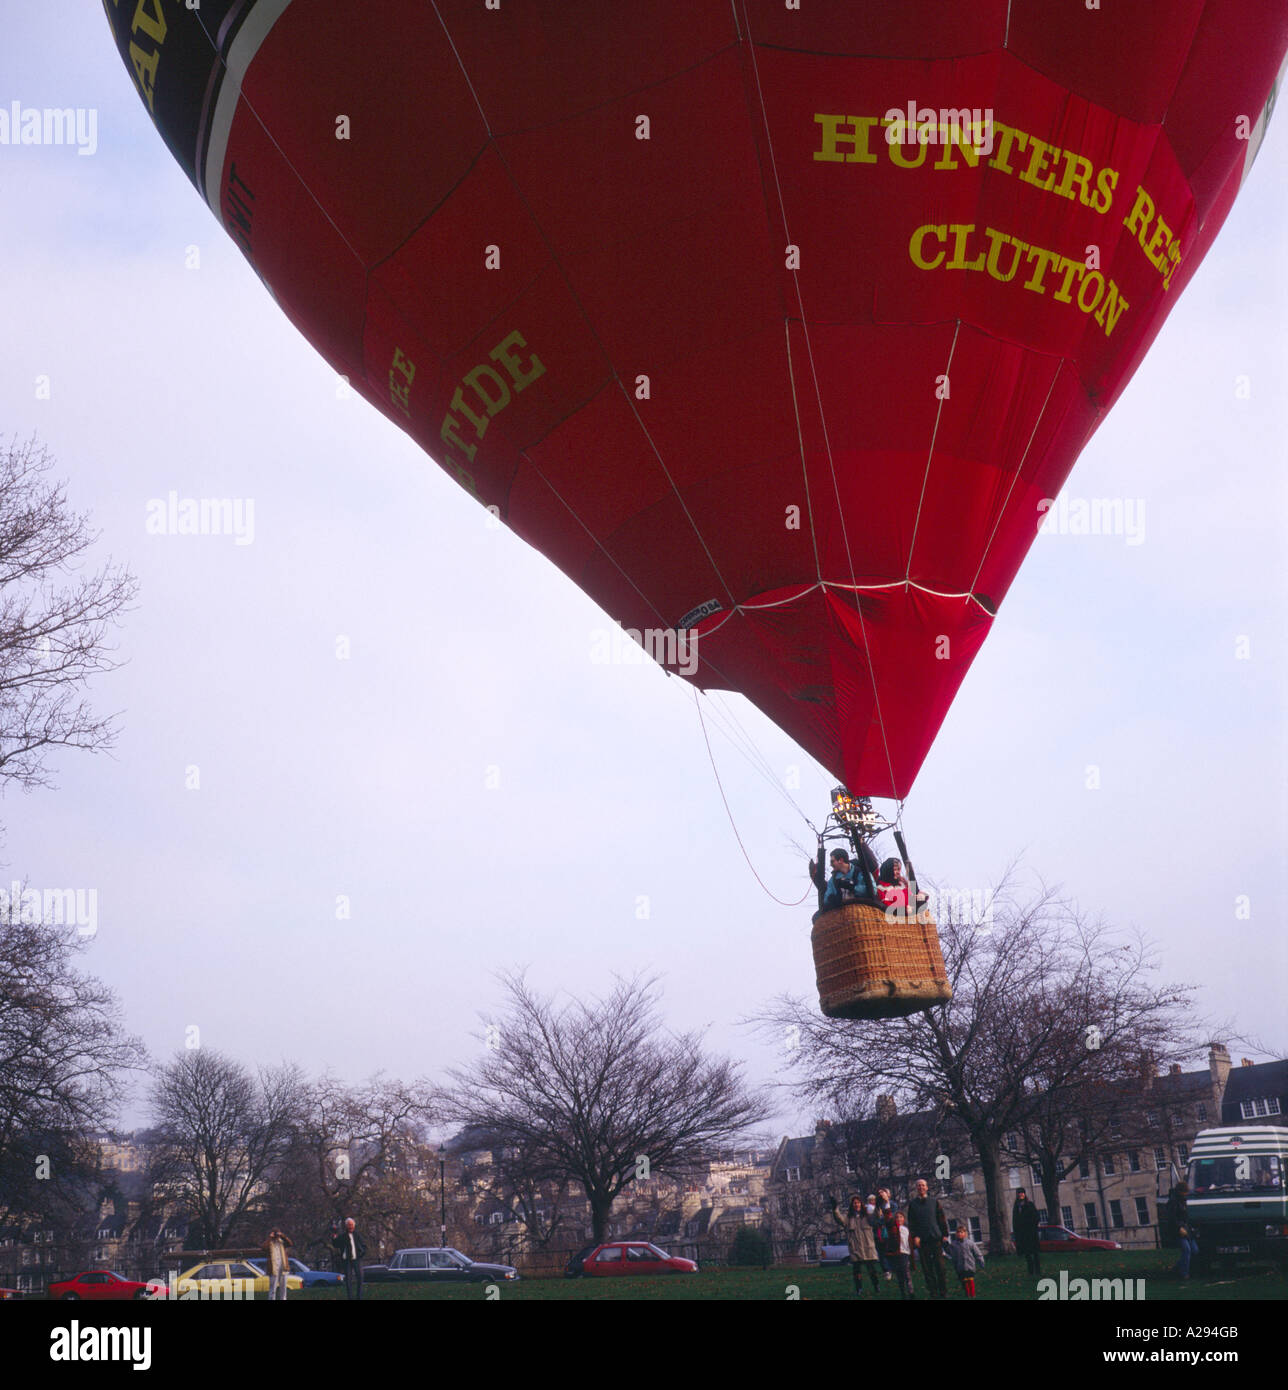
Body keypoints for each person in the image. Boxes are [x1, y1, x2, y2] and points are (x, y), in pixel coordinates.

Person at [907, 1178, 951, 1298]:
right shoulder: (913, 1204)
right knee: (927, 1269)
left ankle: (943, 1291)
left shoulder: (934, 1201)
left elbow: (941, 1219)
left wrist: (945, 1235)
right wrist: (915, 1236)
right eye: (919, 1186)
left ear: (927, 1187)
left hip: (936, 1238)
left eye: (923, 1185)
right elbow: (912, 1223)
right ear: (916, 1188)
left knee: (940, 1268)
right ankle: (933, 1292)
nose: (921, 1187)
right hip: (922, 1241)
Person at [830, 1194, 882, 1296]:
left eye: (858, 1202)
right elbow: (839, 1219)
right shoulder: (848, 1218)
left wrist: (878, 1205)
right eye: (854, 1203)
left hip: (868, 1248)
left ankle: (876, 1286)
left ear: (861, 1204)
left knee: (872, 1270)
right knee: (857, 1271)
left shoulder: (867, 1216)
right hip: (855, 1249)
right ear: (851, 1205)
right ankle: (859, 1289)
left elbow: (877, 1215)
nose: (856, 1205)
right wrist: (835, 1208)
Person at [1165, 1181, 1198, 1280]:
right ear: (1181, 1191)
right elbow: (1172, 1218)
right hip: (1178, 1231)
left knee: (1194, 1250)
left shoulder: (1182, 1200)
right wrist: (1179, 1228)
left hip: (1186, 1229)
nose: (1187, 1194)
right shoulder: (1173, 1202)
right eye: (1185, 1192)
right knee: (1187, 1250)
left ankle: (1177, 1268)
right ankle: (1184, 1273)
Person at [332, 1216, 366, 1300]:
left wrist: (362, 1254)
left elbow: (364, 1246)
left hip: (357, 1260)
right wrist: (334, 1237)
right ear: (346, 1226)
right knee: (348, 1281)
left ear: (354, 1225)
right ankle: (350, 1297)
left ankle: (359, 1297)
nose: (350, 1226)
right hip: (347, 1261)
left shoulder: (358, 1235)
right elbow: (335, 1244)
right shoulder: (343, 1236)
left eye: (352, 1225)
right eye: (349, 1225)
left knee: (360, 1278)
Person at [948, 1224, 986, 1298]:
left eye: (961, 1232)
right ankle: (968, 1294)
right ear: (956, 1234)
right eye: (958, 1232)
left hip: (970, 1265)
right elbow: (952, 1255)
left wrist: (981, 1261)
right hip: (960, 1266)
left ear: (965, 1233)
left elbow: (977, 1252)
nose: (960, 1234)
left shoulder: (970, 1243)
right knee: (964, 1281)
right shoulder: (954, 1244)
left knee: (970, 1280)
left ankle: (973, 1294)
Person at [1011, 1187, 1041, 1277]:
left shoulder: (1030, 1205)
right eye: (1019, 1193)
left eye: (1022, 1193)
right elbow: (1015, 1220)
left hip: (1031, 1232)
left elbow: (1036, 1217)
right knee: (1027, 1254)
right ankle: (1031, 1271)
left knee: (1035, 1253)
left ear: (1024, 1194)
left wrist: (1031, 1225)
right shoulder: (1016, 1207)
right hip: (1022, 1234)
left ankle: (1038, 1271)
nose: (1021, 1195)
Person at [261, 1226, 294, 1301]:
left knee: (283, 1288)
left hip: (283, 1268)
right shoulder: (269, 1243)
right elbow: (263, 1247)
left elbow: (290, 1243)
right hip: (273, 1269)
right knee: (273, 1288)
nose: (276, 1236)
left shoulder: (282, 1242)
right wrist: (270, 1238)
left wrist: (282, 1235)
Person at [889, 1211, 915, 1298]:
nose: (899, 1219)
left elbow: (909, 1242)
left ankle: (911, 1292)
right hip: (897, 1253)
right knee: (899, 1274)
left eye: (901, 1217)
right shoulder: (894, 1229)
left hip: (905, 1253)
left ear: (904, 1219)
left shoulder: (906, 1229)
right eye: (897, 1217)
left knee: (906, 1273)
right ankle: (903, 1293)